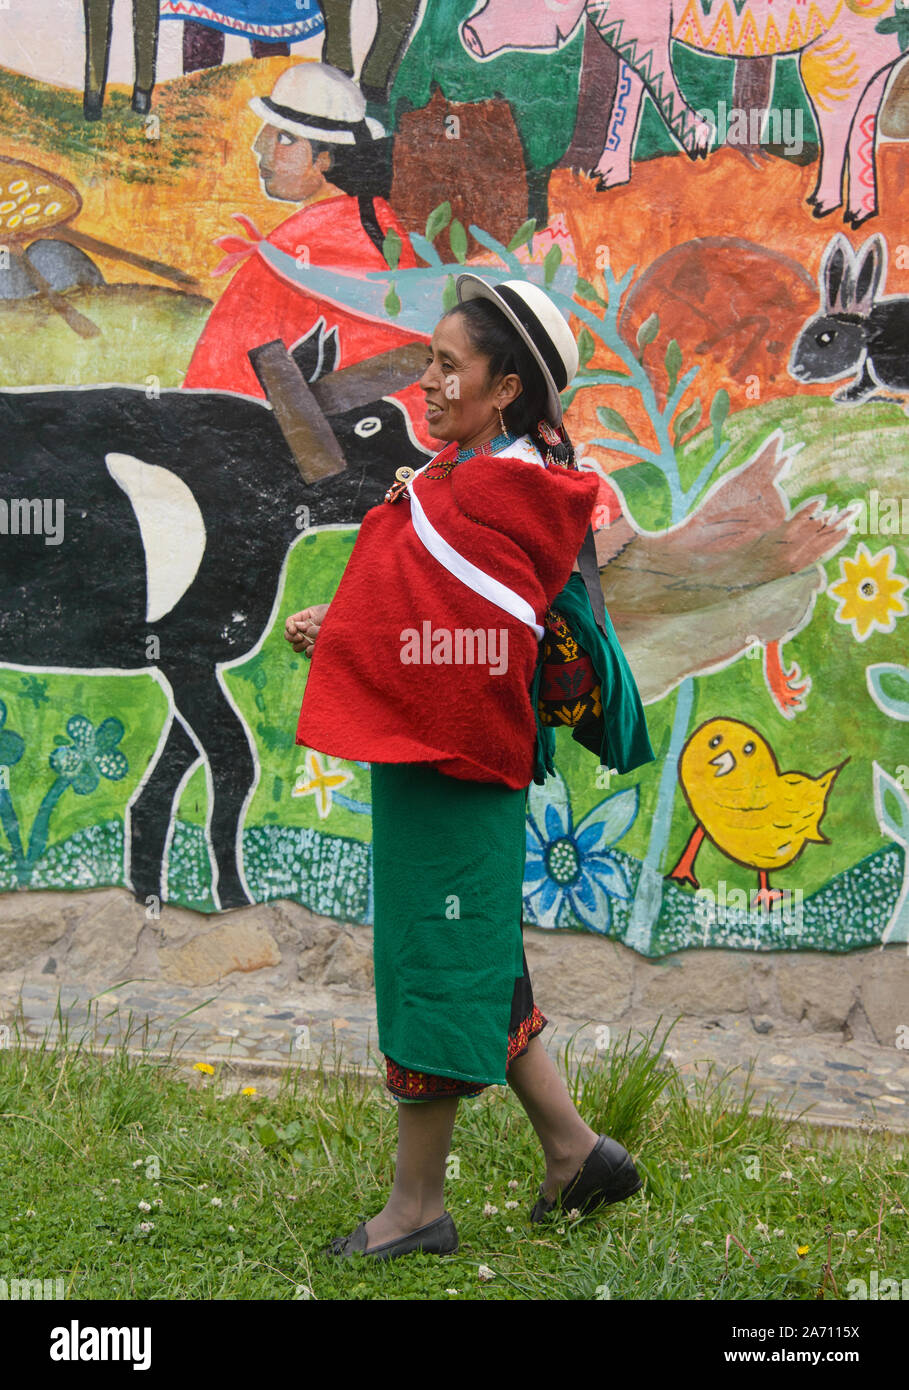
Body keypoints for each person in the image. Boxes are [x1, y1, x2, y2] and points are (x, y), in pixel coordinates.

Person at [284, 275, 655, 1261]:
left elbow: (480, 656)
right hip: (435, 753)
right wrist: (352, 629)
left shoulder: (500, 490)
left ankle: (416, 1208)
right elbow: (449, 626)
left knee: (438, 956)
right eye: (431, 360)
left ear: (508, 390)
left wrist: (359, 642)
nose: (430, 383)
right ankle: (577, 1153)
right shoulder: (482, 474)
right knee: (471, 945)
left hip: (453, 763)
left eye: (452, 366)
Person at [182, 62, 433, 447]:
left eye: (284, 139)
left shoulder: (291, 251)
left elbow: (217, 385)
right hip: (396, 446)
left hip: (322, 451)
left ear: (325, 160)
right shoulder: (384, 229)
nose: (259, 147)